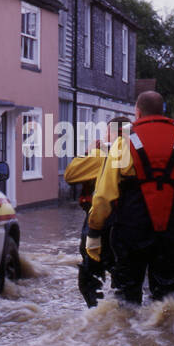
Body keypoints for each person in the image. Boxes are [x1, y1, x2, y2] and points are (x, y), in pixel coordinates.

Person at [85, 91, 174, 304]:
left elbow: (103, 196)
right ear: (163, 111)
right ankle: (166, 331)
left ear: (137, 112)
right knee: (167, 293)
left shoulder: (122, 142)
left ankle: (129, 334)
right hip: (173, 227)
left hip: (131, 226)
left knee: (126, 293)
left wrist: (94, 234)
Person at [64, 118, 129, 306]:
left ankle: (96, 312)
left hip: (100, 221)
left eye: (107, 133)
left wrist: (91, 151)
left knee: (90, 275)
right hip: (130, 224)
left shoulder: (102, 156)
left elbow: (70, 174)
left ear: (115, 135)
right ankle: (123, 315)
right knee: (123, 275)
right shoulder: (136, 157)